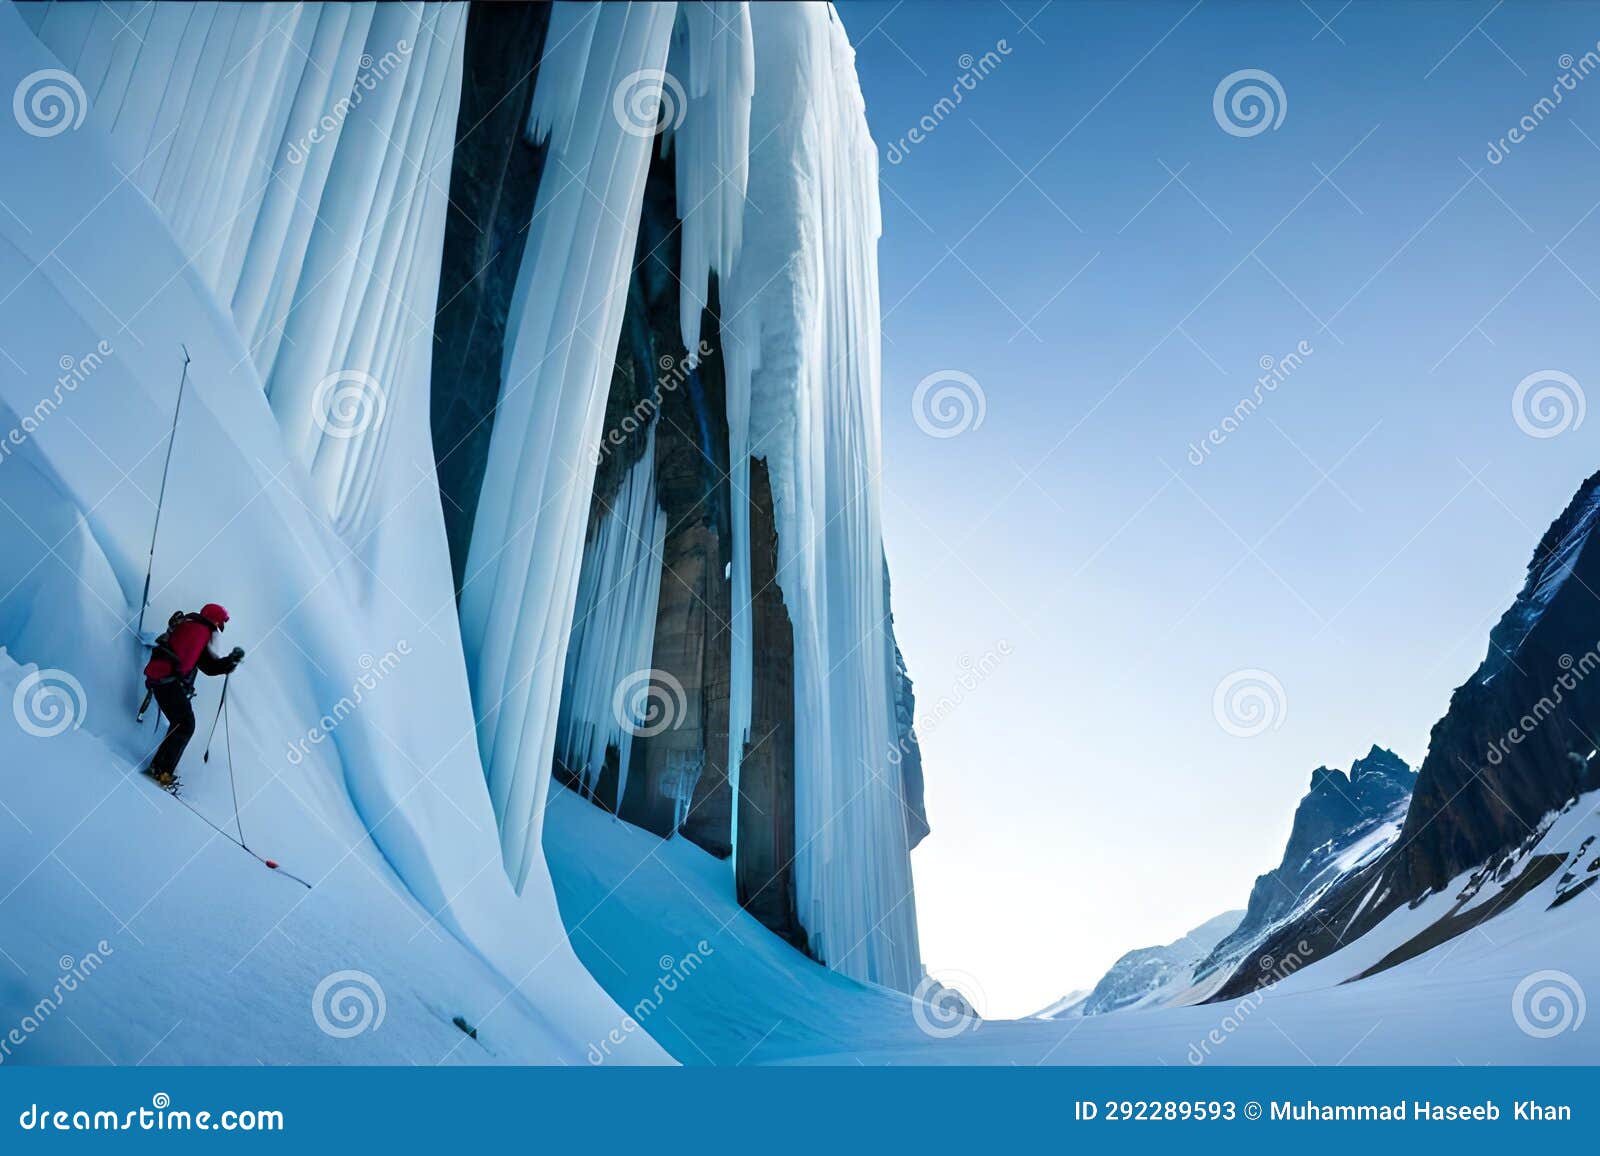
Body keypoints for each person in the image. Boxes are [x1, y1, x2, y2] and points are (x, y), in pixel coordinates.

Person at [142, 603, 243, 789]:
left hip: (160, 677)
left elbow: (206, 665)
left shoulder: (192, 625)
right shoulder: (199, 631)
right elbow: (207, 665)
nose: (219, 630)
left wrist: (229, 661)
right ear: (214, 622)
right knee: (185, 724)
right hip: (166, 679)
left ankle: (159, 768)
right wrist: (230, 662)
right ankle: (161, 772)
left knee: (181, 723)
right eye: (220, 625)